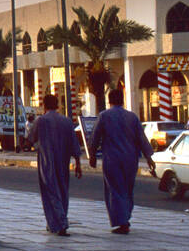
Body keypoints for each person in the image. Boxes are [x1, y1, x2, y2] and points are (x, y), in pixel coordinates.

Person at [89, 88, 155, 234]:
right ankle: (125, 216)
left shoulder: (104, 116)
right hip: (130, 159)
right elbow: (142, 139)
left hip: (112, 159)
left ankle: (121, 221)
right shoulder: (132, 117)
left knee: (115, 189)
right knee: (127, 189)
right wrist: (149, 158)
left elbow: (95, 137)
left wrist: (92, 155)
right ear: (122, 100)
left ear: (109, 100)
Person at [25, 94, 81, 236]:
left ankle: (61, 223)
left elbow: (30, 139)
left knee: (51, 191)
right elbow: (74, 144)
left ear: (44, 105)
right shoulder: (67, 121)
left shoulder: (41, 121)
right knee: (63, 191)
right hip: (63, 162)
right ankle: (55, 222)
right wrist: (78, 163)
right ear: (57, 105)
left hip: (46, 162)